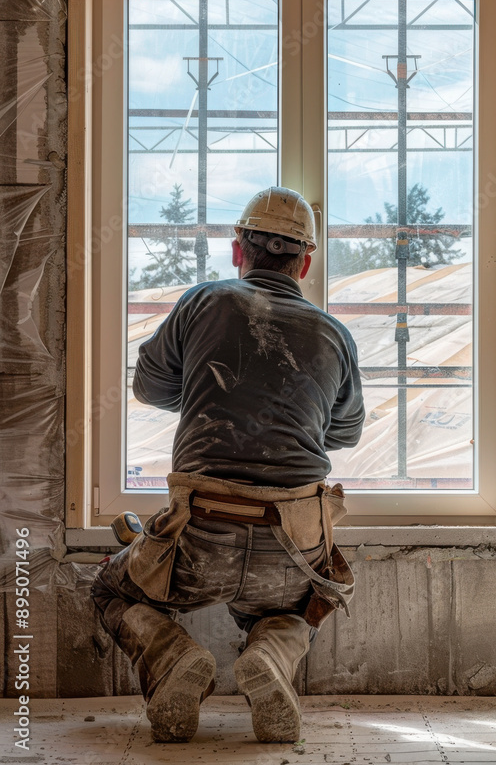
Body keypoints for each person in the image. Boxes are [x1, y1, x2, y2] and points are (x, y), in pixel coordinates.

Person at [91, 186, 364, 744]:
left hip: (198, 540)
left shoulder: (203, 301)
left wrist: (208, 391)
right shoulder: (335, 334)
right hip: (292, 547)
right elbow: (345, 433)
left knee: (110, 589)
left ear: (238, 248)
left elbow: (149, 387)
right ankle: (271, 656)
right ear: (305, 263)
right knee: (301, 605)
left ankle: (172, 659)